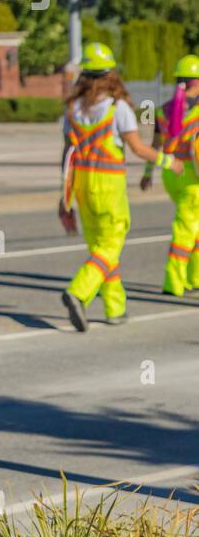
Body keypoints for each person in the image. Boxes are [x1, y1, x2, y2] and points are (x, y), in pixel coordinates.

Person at [59, 42, 181, 331]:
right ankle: (78, 291)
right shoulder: (118, 108)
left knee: (101, 248)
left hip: (80, 186)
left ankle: (115, 308)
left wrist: (62, 200)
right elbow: (138, 148)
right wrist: (167, 161)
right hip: (109, 186)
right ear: (111, 74)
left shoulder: (73, 109)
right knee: (110, 247)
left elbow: (66, 157)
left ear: (84, 76)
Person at [143, 54, 199, 297]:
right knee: (185, 229)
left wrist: (148, 173)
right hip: (193, 177)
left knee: (195, 226)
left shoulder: (163, 109)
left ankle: (194, 276)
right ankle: (173, 281)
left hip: (170, 174)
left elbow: (155, 143)